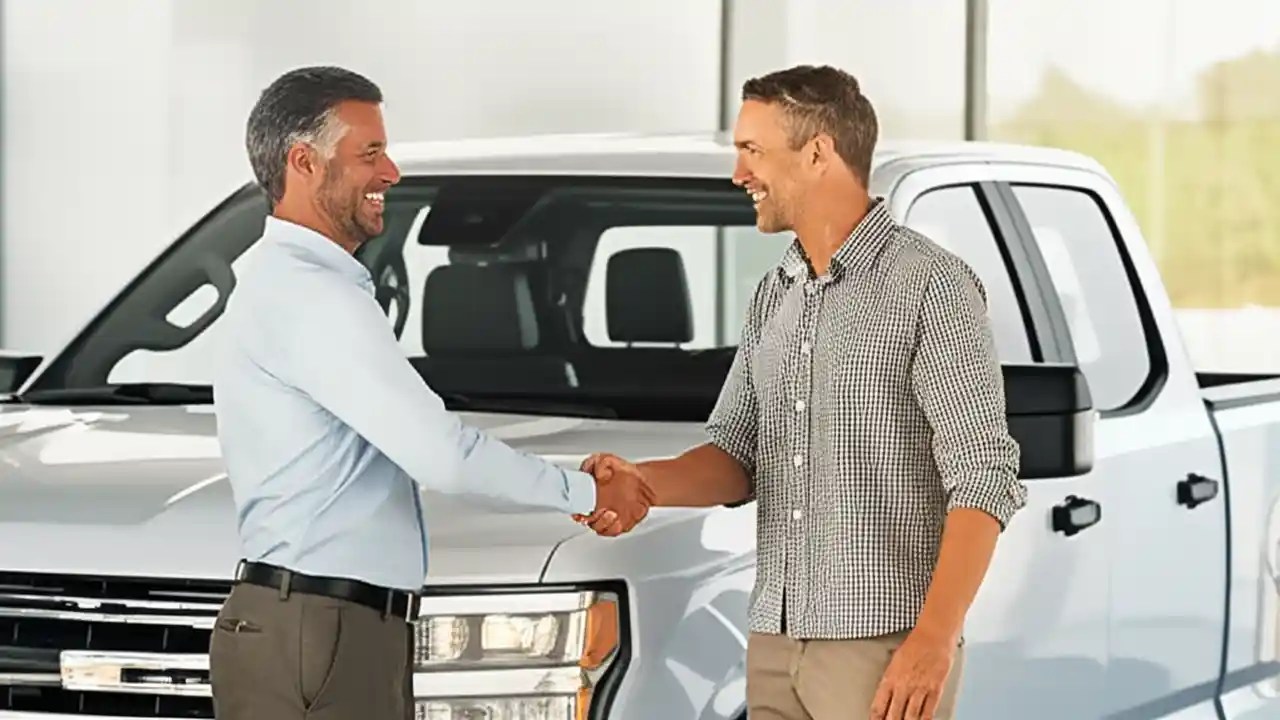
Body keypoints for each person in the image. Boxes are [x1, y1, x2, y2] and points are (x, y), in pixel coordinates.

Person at [578, 64, 1027, 720]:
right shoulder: (775, 293)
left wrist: (933, 640)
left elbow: (984, 476)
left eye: (752, 151)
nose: (739, 174)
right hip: (775, 640)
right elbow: (736, 454)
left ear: (818, 153)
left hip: (882, 646)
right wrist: (643, 483)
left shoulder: (931, 286)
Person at [208, 66, 653, 720]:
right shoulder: (314, 296)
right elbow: (444, 457)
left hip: (309, 624)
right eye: (370, 153)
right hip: (323, 630)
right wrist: (587, 492)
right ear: (303, 162)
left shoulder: (283, 282)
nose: (390, 172)